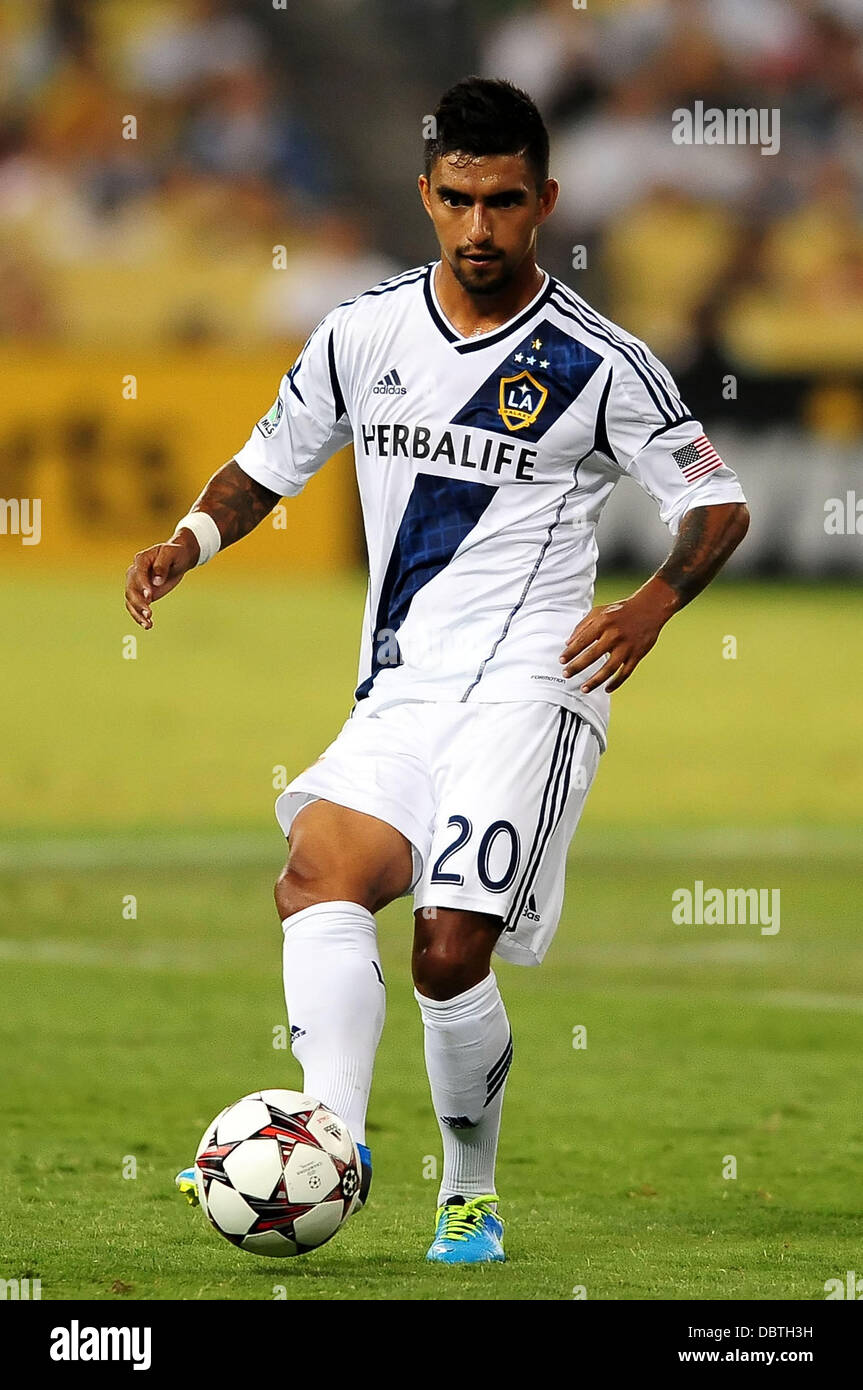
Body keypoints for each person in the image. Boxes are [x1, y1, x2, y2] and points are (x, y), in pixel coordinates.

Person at [124, 77, 749, 1265]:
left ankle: (467, 1193)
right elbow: (267, 463)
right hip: (402, 688)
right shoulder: (361, 333)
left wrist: (656, 601)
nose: (477, 228)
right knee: (317, 880)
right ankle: (334, 1145)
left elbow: (715, 500)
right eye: (456, 200)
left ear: (543, 202)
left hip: (533, 687)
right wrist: (186, 541)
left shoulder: (598, 361)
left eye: (503, 202)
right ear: (425, 194)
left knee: (448, 943)